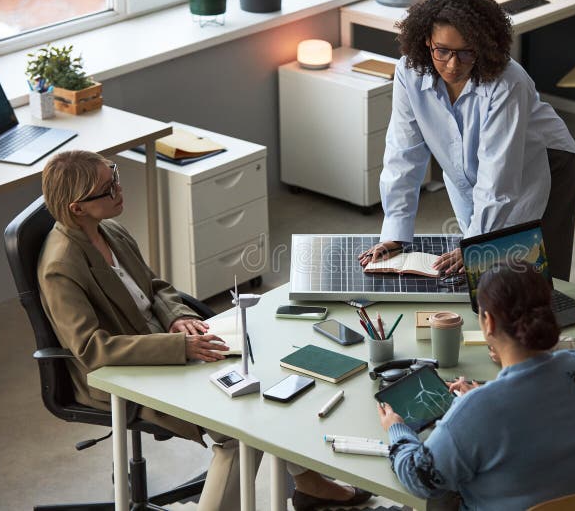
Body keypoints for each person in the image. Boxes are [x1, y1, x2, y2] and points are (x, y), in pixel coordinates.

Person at [37, 150, 372, 511]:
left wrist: (174, 317)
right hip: (123, 371)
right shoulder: (61, 267)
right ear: (77, 208)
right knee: (240, 430)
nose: (120, 189)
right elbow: (91, 349)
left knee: (268, 375)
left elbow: (155, 286)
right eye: (108, 188)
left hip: (165, 339)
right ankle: (303, 486)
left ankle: (308, 485)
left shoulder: (110, 230)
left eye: (114, 176)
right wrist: (178, 346)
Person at [359, 0, 575, 280]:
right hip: (474, 171)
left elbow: (498, 177)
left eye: (465, 53)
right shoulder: (408, 73)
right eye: (442, 51)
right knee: (483, 272)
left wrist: (475, 245)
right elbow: (403, 155)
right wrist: (395, 234)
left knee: (537, 279)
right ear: (426, 41)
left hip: (544, 164)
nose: (452, 64)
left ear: (483, 46)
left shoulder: (507, 83)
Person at [377, 261, 575, 510]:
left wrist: (397, 429)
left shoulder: (477, 411)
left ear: (488, 322)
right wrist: (483, 396)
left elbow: (419, 479)